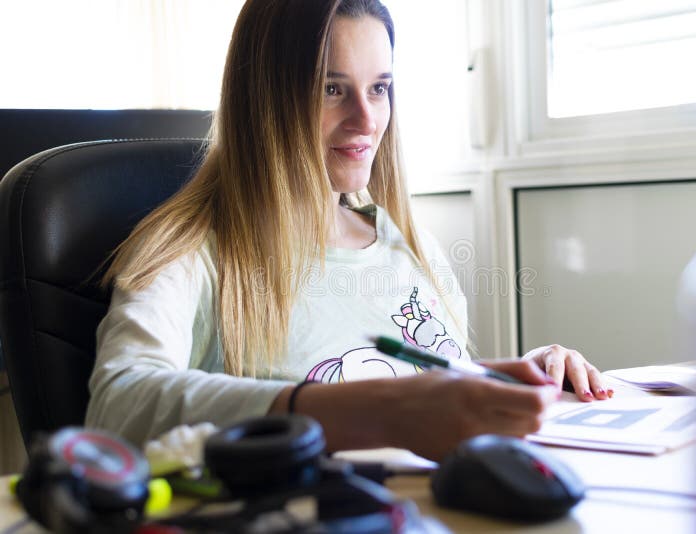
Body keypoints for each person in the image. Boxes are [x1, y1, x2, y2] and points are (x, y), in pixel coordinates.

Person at [86, 0, 610, 462]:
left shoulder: (413, 249)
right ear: (266, 99)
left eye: (379, 88)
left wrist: (515, 380)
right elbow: (117, 403)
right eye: (332, 89)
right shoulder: (186, 253)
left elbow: (436, 403)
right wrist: (373, 411)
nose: (366, 119)